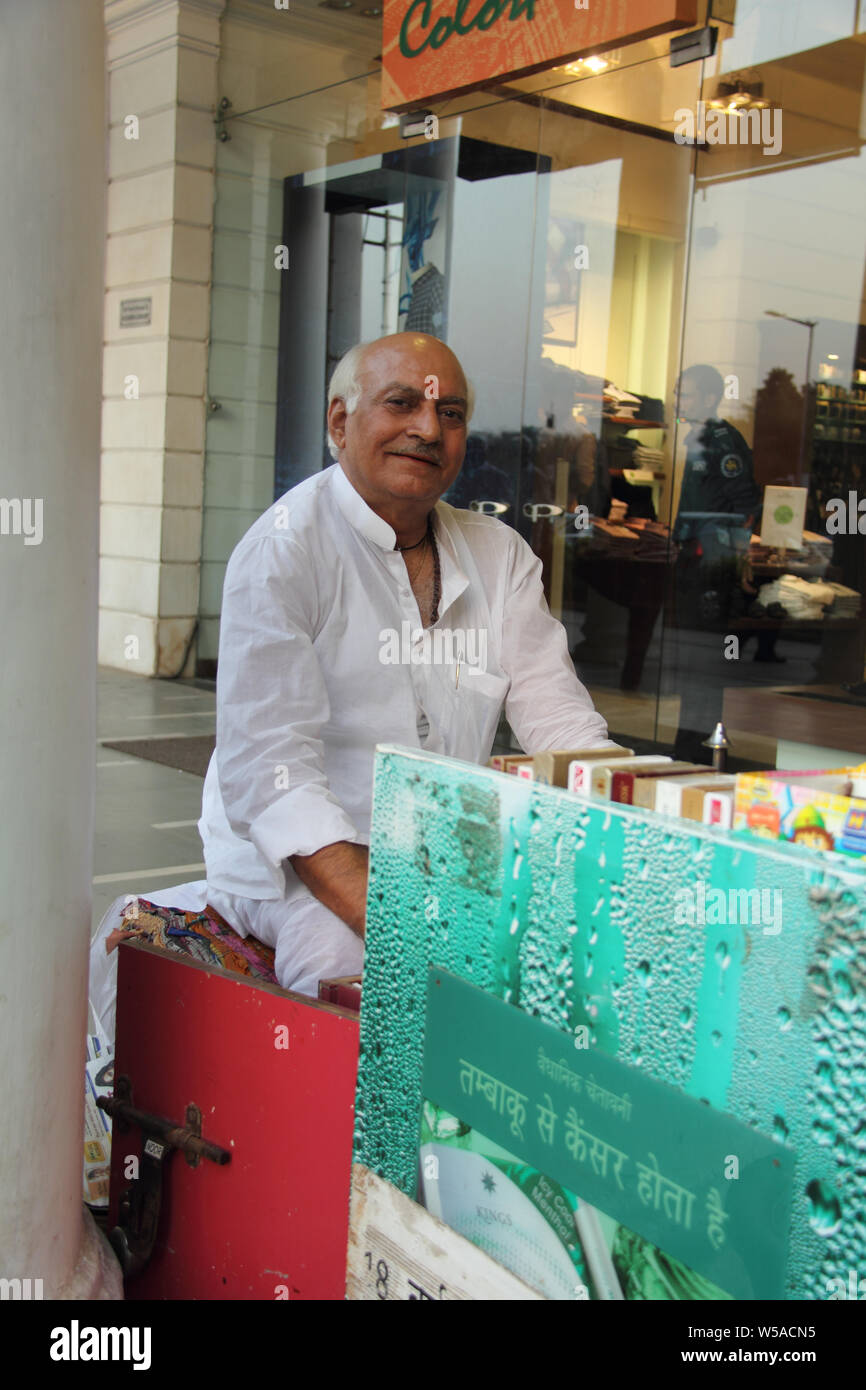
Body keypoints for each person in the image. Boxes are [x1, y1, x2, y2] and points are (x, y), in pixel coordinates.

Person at [196, 332, 616, 995]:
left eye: (450, 413)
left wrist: (640, 826)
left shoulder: (498, 553)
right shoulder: (284, 551)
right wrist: (402, 922)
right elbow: (272, 774)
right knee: (361, 978)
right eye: (402, 403)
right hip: (298, 870)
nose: (428, 428)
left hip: (444, 861)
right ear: (340, 420)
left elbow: (561, 725)